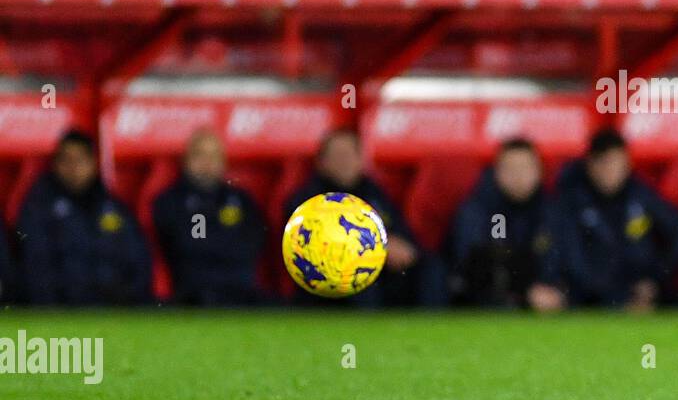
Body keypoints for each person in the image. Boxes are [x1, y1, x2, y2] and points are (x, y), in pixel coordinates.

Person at [546, 128, 678, 311]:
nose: (611, 171)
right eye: (604, 163)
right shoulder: (571, 202)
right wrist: (616, 296)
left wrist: (654, 278)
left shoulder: (640, 195)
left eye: (617, 163)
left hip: (641, 292)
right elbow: (570, 257)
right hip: (588, 298)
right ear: (590, 164)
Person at [283, 129, 434, 307]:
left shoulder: (374, 194)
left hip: (382, 273)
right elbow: (314, 245)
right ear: (322, 162)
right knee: (356, 273)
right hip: (329, 276)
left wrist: (405, 249)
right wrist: (379, 249)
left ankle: (431, 326)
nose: (344, 162)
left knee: (431, 268)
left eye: (350, 154)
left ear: (362, 159)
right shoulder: (309, 200)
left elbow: (400, 233)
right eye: (337, 156)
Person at [17, 130, 153, 305]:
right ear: (56, 164)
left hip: (115, 309)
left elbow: (138, 261)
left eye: (80, 160)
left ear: (93, 163)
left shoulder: (113, 207)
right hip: (61, 309)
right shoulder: (38, 207)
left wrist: (127, 300)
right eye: (66, 160)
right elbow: (35, 267)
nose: (73, 167)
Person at [152, 129, 268, 306]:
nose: (208, 163)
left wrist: (215, 242)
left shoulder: (242, 200)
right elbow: (189, 248)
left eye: (214, 156)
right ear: (186, 160)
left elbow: (253, 245)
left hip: (242, 293)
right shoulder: (170, 201)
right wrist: (225, 242)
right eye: (200, 155)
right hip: (194, 296)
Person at [446, 138, 564, 311]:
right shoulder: (480, 209)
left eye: (525, 168)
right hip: (486, 303)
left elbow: (560, 258)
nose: (518, 176)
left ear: (539, 171)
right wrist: (525, 291)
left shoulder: (551, 210)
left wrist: (554, 289)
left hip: (544, 300)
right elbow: (478, 262)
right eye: (511, 169)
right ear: (497, 172)